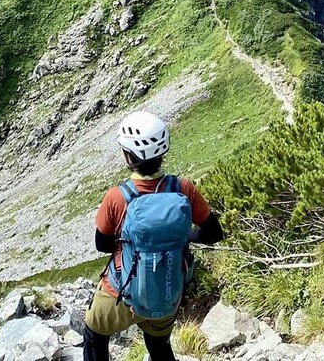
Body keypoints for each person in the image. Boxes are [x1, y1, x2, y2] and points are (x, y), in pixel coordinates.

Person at [82, 111, 224, 361]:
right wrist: (181, 237)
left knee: (94, 334)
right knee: (159, 345)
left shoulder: (117, 196)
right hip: (168, 291)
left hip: (121, 293)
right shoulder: (184, 189)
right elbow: (214, 233)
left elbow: (102, 245)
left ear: (128, 156)